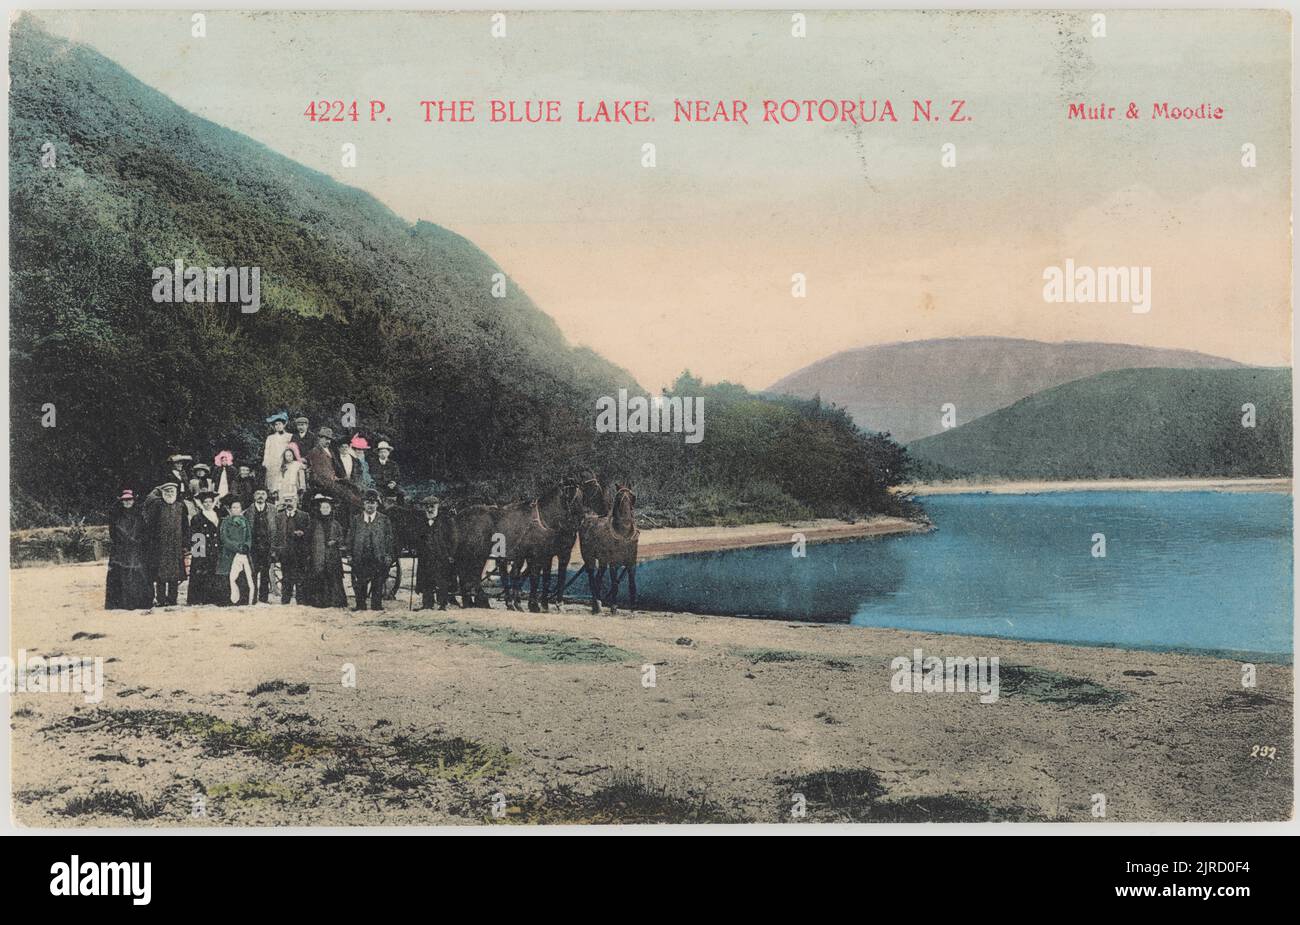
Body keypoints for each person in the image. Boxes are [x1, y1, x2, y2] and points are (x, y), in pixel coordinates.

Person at [347, 488, 395, 612]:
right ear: (363, 504)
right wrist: (349, 554)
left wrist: (388, 555)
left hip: (378, 556)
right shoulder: (356, 519)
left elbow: (389, 539)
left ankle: (376, 606)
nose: (370, 505)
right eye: (368, 502)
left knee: (378, 582)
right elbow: (350, 538)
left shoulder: (384, 520)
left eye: (373, 503)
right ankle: (360, 605)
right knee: (360, 582)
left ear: (377, 504)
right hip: (361, 556)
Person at [105, 489, 153, 610]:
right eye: (125, 500)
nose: (127, 502)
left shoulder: (140, 515)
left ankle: (140, 602)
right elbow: (113, 533)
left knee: (139, 574)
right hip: (121, 549)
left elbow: (145, 531)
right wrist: (124, 540)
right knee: (122, 573)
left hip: (138, 548)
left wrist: (139, 541)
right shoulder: (116, 515)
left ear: (133, 501)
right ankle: (121, 603)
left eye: (129, 500)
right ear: (121, 501)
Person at [143, 481, 187, 606]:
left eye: (172, 491)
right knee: (160, 575)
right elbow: (150, 526)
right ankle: (161, 600)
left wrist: (185, 542)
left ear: (176, 493)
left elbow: (185, 526)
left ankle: (172, 599)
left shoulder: (180, 506)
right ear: (163, 493)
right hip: (160, 545)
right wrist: (151, 543)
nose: (169, 493)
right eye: (167, 491)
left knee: (175, 574)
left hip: (176, 545)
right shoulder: (157, 505)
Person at [306, 493, 347, 608]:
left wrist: (335, 541)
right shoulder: (314, 523)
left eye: (327, 508)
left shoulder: (335, 524)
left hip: (332, 555)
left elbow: (341, 537)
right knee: (319, 575)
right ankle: (319, 602)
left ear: (330, 509)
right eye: (323, 508)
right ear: (320, 509)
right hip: (318, 555)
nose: (325, 510)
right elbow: (308, 539)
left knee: (333, 575)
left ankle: (335, 601)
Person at [414, 495, 455, 611]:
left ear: (437, 506)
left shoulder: (446, 521)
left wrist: (450, 554)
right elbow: (417, 537)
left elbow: (453, 539)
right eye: (427, 507)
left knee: (442, 579)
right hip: (425, 556)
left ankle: (443, 604)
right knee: (426, 579)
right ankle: (427, 603)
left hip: (441, 556)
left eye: (432, 506)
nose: (430, 509)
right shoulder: (421, 521)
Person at [187, 490, 223, 605]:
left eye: (210, 502)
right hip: (203, 550)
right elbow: (195, 537)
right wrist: (199, 555)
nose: (208, 504)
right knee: (201, 573)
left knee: (214, 573)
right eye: (205, 502)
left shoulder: (218, 516)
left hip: (215, 549)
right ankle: (199, 599)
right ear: (202, 504)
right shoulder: (197, 518)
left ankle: (213, 598)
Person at [274, 492, 312, 604]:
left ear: (296, 501)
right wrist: (277, 550)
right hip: (285, 551)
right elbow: (276, 534)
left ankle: (300, 600)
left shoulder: (304, 515)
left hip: (299, 551)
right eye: (286, 501)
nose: (288, 503)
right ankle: (285, 600)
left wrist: (303, 533)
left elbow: (309, 533)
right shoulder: (279, 516)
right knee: (286, 576)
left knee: (300, 576)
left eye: (291, 500)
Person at [219, 498, 256, 605]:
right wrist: (237, 547)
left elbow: (249, 536)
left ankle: (246, 599)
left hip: (244, 553)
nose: (236, 509)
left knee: (245, 576)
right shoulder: (226, 522)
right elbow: (224, 538)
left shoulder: (245, 521)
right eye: (234, 507)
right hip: (230, 554)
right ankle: (231, 599)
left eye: (238, 507)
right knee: (230, 576)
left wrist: (246, 546)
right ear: (230, 510)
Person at [247, 488, 275, 603]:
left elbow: (275, 529)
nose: (260, 496)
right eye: (258, 493)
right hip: (253, 546)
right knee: (253, 572)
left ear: (267, 496)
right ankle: (252, 598)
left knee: (265, 573)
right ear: (254, 496)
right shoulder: (248, 510)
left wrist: (274, 547)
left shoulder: (273, 509)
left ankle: (263, 598)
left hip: (267, 546)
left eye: (263, 494)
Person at [261, 412, 293, 488]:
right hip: (273, 463)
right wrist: (266, 462)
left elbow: (292, 450)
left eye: (280, 424)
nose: (278, 426)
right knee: (273, 484)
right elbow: (267, 451)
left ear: (284, 425)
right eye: (276, 424)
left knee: (285, 483)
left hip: (284, 462)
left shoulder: (289, 436)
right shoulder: (270, 438)